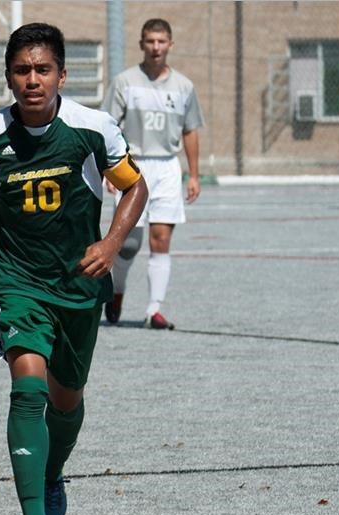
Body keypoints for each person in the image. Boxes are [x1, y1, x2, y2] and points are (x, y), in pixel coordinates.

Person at [0, 22, 147, 515]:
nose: (32, 80)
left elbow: (134, 185)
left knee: (67, 398)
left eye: (42, 70)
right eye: (21, 70)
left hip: (79, 283)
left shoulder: (93, 129)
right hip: (17, 278)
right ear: (8, 76)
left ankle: (52, 470)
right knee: (26, 387)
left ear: (62, 74)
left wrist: (111, 242)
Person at [100, 18, 204, 330]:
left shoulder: (184, 87)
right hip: (132, 166)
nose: (156, 47)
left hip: (167, 168)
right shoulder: (125, 82)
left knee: (161, 238)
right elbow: (108, 126)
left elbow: (190, 131)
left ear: (170, 45)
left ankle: (154, 310)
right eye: (150, 41)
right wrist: (109, 168)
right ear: (142, 44)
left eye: (162, 42)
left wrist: (194, 174)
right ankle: (116, 291)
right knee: (128, 243)